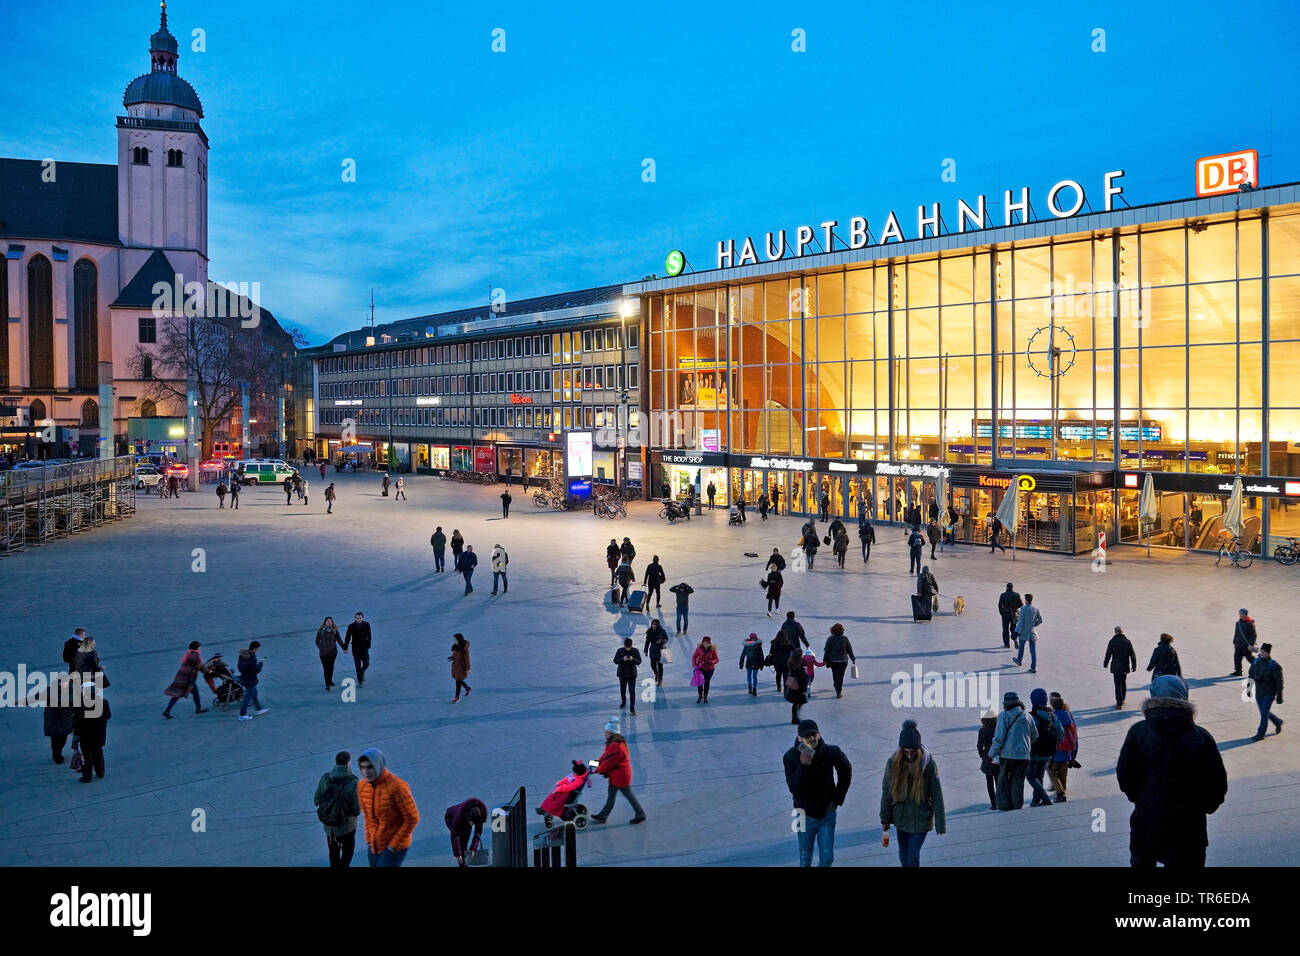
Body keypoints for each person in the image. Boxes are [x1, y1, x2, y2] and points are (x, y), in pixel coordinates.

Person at [1116, 675, 1227, 867]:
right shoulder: (1200, 737)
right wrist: (1204, 807)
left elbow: (1125, 774)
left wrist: (1142, 798)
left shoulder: (1138, 732)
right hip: (1189, 823)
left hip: (1147, 819)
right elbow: (1217, 783)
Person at [783, 719, 852, 867]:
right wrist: (803, 765)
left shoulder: (830, 751)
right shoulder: (790, 757)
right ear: (799, 738)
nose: (812, 739)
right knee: (805, 856)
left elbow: (846, 770)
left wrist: (838, 797)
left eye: (814, 734)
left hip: (827, 813)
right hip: (802, 814)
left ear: (819, 734)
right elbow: (794, 787)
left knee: (827, 857)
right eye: (807, 736)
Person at [880, 720, 946, 867]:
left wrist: (940, 823)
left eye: (912, 752)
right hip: (901, 819)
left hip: (921, 819)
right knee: (904, 857)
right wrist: (884, 819)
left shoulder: (928, 764)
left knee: (912, 856)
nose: (909, 755)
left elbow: (937, 793)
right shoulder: (893, 763)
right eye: (906, 751)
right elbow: (886, 793)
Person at [356, 748, 420, 866]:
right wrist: (369, 840)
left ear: (378, 765)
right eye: (363, 767)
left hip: (394, 847)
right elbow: (368, 817)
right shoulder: (362, 786)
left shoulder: (397, 787)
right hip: (374, 845)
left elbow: (412, 818)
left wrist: (393, 846)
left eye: (370, 767)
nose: (366, 772)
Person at [591, 718, 646, 824]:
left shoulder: (615, 746)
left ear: (612, 732)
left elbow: (609, 762)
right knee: (611, 795)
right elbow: (605, 756)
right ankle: (603, 815)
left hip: (620, 776)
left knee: (628, 794)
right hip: (616, 775)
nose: (605, 733)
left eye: (607, 732)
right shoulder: (613, 743)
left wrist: (597, 770)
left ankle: (640, 814)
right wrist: (594, 763)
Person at [988, 690, 1035, 810]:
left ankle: (1004, 805)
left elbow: (999, 737)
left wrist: (991, 753)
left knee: (1002, 780)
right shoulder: (1028, 716)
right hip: (1023, 755)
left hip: (1007, 755)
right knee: (1018, 782)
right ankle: (1017, 805)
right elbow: (1035, 735)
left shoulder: (1003, 715)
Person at [314, 751, 361, 868]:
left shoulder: (325, 778)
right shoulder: (354, 782)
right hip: (347, 828)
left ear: (336, 762)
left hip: (330, 828)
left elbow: (316, 800)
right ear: (348, 763)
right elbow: (357, 810)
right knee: (348, 852)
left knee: (333, 853)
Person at [1026, 688, 1061, 807]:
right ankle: (1035, 801)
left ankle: (1045, 799)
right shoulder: (1053, 716)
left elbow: (1029, 736)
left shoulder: (1032, 716)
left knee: (1030, 776)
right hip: (1048, 753)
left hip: (1034, 753)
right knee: (1039, 776)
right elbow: (1060, 735)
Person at [74, 680, 111, 783]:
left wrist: (76, 733)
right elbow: (108, 716)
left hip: (86, 737)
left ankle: (87, 776)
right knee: (98, 754)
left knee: (87, 757)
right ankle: (100, 772)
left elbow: (77, 722)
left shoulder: (81, 706)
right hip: (100, 736)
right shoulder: (104, 702)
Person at [162, 641, 209, 718]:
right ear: (196, 647)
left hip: (182, 677)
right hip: (187, 679)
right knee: (181, 694)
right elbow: (200, 666)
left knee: (190, 693)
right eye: (199, 647)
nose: (200, 648)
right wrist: (209, 671)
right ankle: (198, 708)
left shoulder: (190, 653)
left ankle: (167, 711)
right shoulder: (194, 655)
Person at [1248, 644, 1284, 740]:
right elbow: (1250, 674)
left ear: (1268, 653)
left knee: (1264, 713)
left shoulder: (1274, 665)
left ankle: (1260, 734)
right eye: (1262, 651)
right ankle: (1277, 722)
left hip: (1269, 693)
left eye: (1265, 652)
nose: (1262, 653)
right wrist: (1248, 688)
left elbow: (1279, 682)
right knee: (1264, 712)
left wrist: (1279, 696)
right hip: (1259, 693)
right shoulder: (1256, 662)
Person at [1047, 692, 1078, 802]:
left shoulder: (1052, 718)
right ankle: (1062, 791)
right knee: (1063, 774)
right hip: (1067, 753)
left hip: (1055, 753)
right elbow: (1075, 737)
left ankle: (1060, 793)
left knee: (1051, 772)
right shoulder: (1069, 717)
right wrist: (1073, 755)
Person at [42, 674, 77, 764]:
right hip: (53, 719)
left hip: (66, 720)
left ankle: (58, 752)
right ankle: (56, 755)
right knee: (55, 739)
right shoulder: (50, 690)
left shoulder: (71, 691)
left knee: (62, 739)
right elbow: (36, 697)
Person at [445, 799, 488, 867]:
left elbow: (478, 833)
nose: (472, 824)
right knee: (461, 841)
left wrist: (473, 848)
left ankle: (465, 861)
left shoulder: (480, 814)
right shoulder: (459, 816)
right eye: (471, 822)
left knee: (465, 839)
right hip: (451, 818)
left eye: (473, 823)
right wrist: (457, 854)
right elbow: (454, 835)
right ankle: (462, 864)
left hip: (465, 818)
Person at [1104, 625, 1139, 709]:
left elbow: (1108, 653)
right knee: (1123, 682)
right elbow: (1132, 654)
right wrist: (1134, 665)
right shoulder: (1127, 642)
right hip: (1124, 666)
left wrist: (1106, 663)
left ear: (1115, 632)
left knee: (1117, 684)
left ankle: (1119, 703)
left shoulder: (1112, 642)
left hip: (1116, 667)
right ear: (1122, 632)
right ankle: (1122, 699)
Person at [822, 623, 856, 699]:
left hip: (833, 661)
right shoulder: (845, 639)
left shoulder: (830, 639)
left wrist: (825, 660)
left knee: (835, 674)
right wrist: (853, 659)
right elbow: (849, 650)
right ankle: (838, 692)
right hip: (843, 660)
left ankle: (836, 685)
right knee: (840, 676)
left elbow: (827, 650)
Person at [236, 642, 268, 720]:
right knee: (248, 697)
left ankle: (259, 709)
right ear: (255, 648)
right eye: (257, 649)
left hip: (244, 678)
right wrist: (261, 663)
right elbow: (256, 670)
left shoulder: (242, 655)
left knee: (254, 694)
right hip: (250, 680)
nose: (257, 650)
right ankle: (242, 715)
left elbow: (239, 667)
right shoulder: (252, 658)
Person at [1011, 594, 1042, 673]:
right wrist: (1034, 625)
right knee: (1033, 651)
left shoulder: (1023, 609)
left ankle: (1019, 660)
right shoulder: (1035, 608)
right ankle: (1033, 667)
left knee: (1021, 648)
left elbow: (1020, 622)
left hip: (1023, 632)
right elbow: (1040, 620)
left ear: (1026, 600)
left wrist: (1016, 631)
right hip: (1032, 632)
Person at [977, 708, 999, 811]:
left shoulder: (982, 730)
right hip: (997, 757)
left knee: (989, 781)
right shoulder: (998, 729)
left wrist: (982, 755)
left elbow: (979, 745)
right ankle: (1000, 800)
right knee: (999, 779)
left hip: (988, 757)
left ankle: (993, 803)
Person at [615, 637, 642, 714]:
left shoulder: (635, 651)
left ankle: (632, 708)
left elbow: (639, 661)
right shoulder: (620, 650)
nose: (627, 649)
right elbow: (615, 660)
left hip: (632, 675)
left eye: (629, 647)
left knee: (632, 691)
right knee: (622, 690)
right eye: (626, 647)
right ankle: (623, 702)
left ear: (631, 645)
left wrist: (632, 659)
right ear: (624, 645)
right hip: (622, 674)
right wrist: (622, 659)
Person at [316, 616, 344, 690]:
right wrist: (321, 648)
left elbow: (339, 640)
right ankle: (327, 684)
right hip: (323, 653)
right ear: (325, 622)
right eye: (328, 621)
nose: (329, 622)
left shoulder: (335, 630)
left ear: (332, 622)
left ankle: (330, 680)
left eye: (330, 621)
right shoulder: (321, 631)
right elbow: (317, 641)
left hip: (333, 652)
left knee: (331, 667)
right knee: (326, 668)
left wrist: (344, 647)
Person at [344, 612, 372, 686]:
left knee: (366, 663)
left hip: (364, 648)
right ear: (355, 618)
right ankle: (360, 681)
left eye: (360, 618)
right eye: (357, 618)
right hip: (355, 648)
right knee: (357, 665)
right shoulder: (351, 626)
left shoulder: (367, 624)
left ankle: (362, 671)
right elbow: (348, 637)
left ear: (362, 618)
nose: (359, 619)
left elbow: (369, 636)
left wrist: (368, 646)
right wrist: (345, 647)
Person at [692, 636, 719, 703]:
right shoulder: (699, 649)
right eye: (704, 642)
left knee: (707, 682)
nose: (706, 644)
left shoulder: (713, 650)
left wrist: (712, 661)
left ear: (710, 643)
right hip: (700, 668)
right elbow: (694, 656)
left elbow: (717, 659)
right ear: (702, 643)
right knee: (699, 682)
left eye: (707, 643)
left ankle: (705, 696)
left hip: (710, 669)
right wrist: (694, 665)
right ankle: (700, 695)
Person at [785, 653, 810, 724]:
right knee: (799, 703)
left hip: (793, 688)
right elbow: (802, 678)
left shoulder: (792, 664)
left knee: (796, 703)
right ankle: (795, 718)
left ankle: (794, 717)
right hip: (799, 687)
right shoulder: (800, 666)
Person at [1232, 608, 1258, 676]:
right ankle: (1238, 671)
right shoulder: (1238, 623)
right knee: (1237, 657)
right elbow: (1236, 633)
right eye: (1239, 613)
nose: (1239, 615)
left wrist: (1251, 644)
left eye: (1241, 613)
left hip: (1246, 646)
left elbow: (1253, 635)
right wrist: (1234, 642)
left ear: (1245, 614)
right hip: (1239, 644)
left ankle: (1259, 668)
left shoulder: (1250, 624)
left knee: (1249, 658)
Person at [997, 583, 1023, 649]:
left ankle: (1007, 644)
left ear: (1006, 587)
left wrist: (1001, 613)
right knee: (1013, 628)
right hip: (1014, 614)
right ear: (1012, 587)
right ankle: (1014, 639)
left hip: (1005, 614)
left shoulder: (1003, 595)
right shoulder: (1016, 594)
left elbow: (999, 605)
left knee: (1005, 629)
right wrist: (1015, 608)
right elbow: (1021, 604)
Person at [644, 619, 668, 686]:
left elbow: (666, 638)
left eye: (655, 624)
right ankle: (656, 673)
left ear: (657, 625)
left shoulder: (662, 631)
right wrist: (645, 651)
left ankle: (660, 679)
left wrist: (661, 641)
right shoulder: (649, 632)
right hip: (653, 650)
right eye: (652, 624)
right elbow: (647, 642)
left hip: (660, 650)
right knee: (652, 665)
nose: (653, 626)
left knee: (660, 666)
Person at [450, 633, 471, 703]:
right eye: (454, 640)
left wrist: (468, 668)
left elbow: (467, 659)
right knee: (458, 680)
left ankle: (456, 697)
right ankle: (467, 688)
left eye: (455, 640)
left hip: (462, 667)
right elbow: (454, 654)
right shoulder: (455, 646)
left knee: (458, 681)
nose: (454, 641)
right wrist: (452, 657)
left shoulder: (464, 649)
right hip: (456, 666)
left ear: (459, 640)